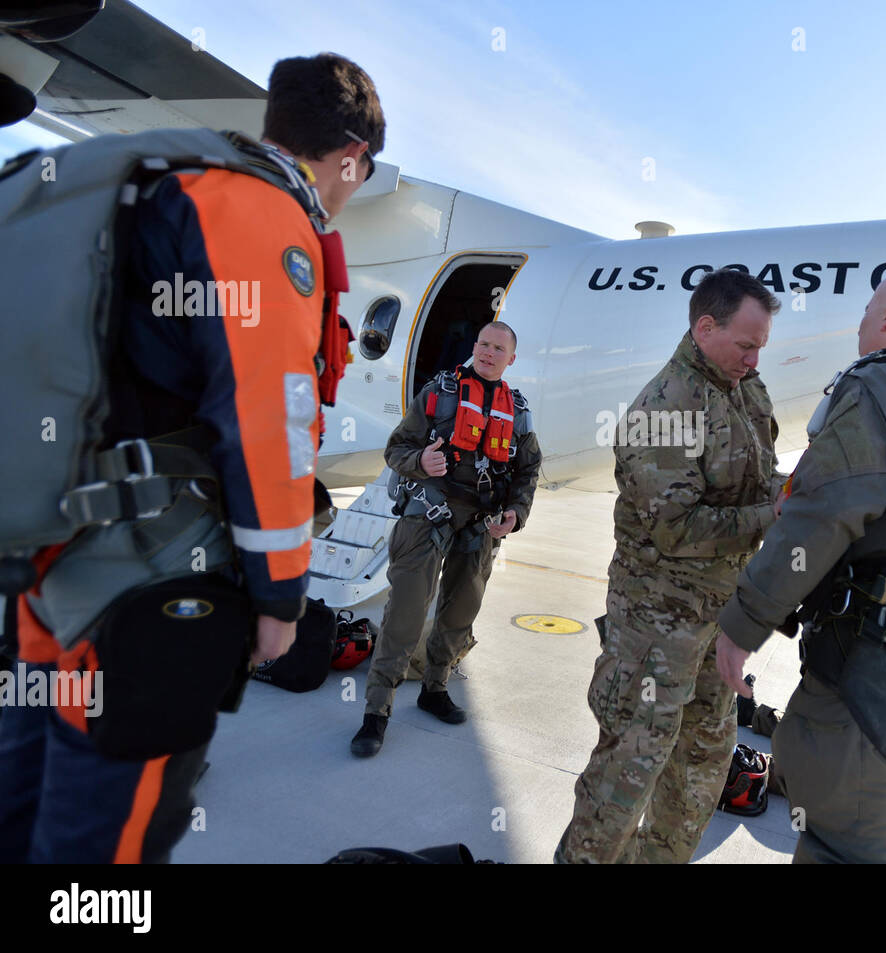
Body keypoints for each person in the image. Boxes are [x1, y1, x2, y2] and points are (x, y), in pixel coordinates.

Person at [0, 53, 385, 863]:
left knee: (26, 795)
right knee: (112, 841)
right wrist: (281, 599)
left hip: (56, 562)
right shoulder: (266, 213)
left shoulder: (169, 185)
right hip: (145, 585)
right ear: (349, 154)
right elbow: (268, 419)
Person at [715, 267, 886, 864]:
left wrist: (745, 622)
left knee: (846, 843)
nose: (861, 320)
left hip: (877, 679)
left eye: (867, 309)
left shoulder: (881, 386)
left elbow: (825, 512)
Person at [556, 268, 786, 864]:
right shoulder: (663, 408)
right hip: (656, 629)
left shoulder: (745, 388)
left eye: (761, 345)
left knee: (703, 765)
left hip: (718, 621)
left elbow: (759, 482)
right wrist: (775, 514)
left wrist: (795, 487)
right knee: (627, 772)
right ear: (704, 326)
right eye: (746, 343)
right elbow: (676, 528)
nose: (755, 357)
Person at [350, 320, 541, 756]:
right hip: (427, 514)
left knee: (461, 612)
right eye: (484, 344)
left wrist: (516, 513)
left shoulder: (519, 411)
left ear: (511, 359)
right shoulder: (440, 393)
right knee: (406, 613)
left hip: (481, 523)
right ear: (475, 345)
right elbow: (396, 449)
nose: (489, 353)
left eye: (499, 349)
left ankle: (434, 688)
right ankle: (376, 713)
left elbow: (528, 470)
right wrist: (421, 461)